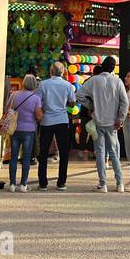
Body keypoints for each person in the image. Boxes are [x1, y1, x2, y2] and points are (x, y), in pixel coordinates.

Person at [85, 57, 127, 192]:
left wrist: (91, 106)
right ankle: (120, 183)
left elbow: (78, 95)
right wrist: (120, 119)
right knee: (114, 152)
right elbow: (124, 102)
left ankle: (103, 184)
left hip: (98, 121)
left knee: (100, 153)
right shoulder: (118, 81)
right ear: (113, 68)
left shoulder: (94, 80)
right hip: (113, 123)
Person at [36, 62, 77, 191]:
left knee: (43, 152)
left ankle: (43, 183)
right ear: (63, 72)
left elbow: (38, 101)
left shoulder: (43, 84)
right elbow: (72, 103)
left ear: (51, 71)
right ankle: (61, 182)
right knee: (64, 152)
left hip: (47, 121)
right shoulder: (68, 85)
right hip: (62, 121)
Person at [3, 76, 42, 192]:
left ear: (24, 83)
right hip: (29, 130)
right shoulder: (36, 98)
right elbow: (39, 115)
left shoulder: (14, 94)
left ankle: (12, 184)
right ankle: (23, 184)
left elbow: (6, 109)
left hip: (14, 129)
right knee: (26, 157)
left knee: (14, 157)